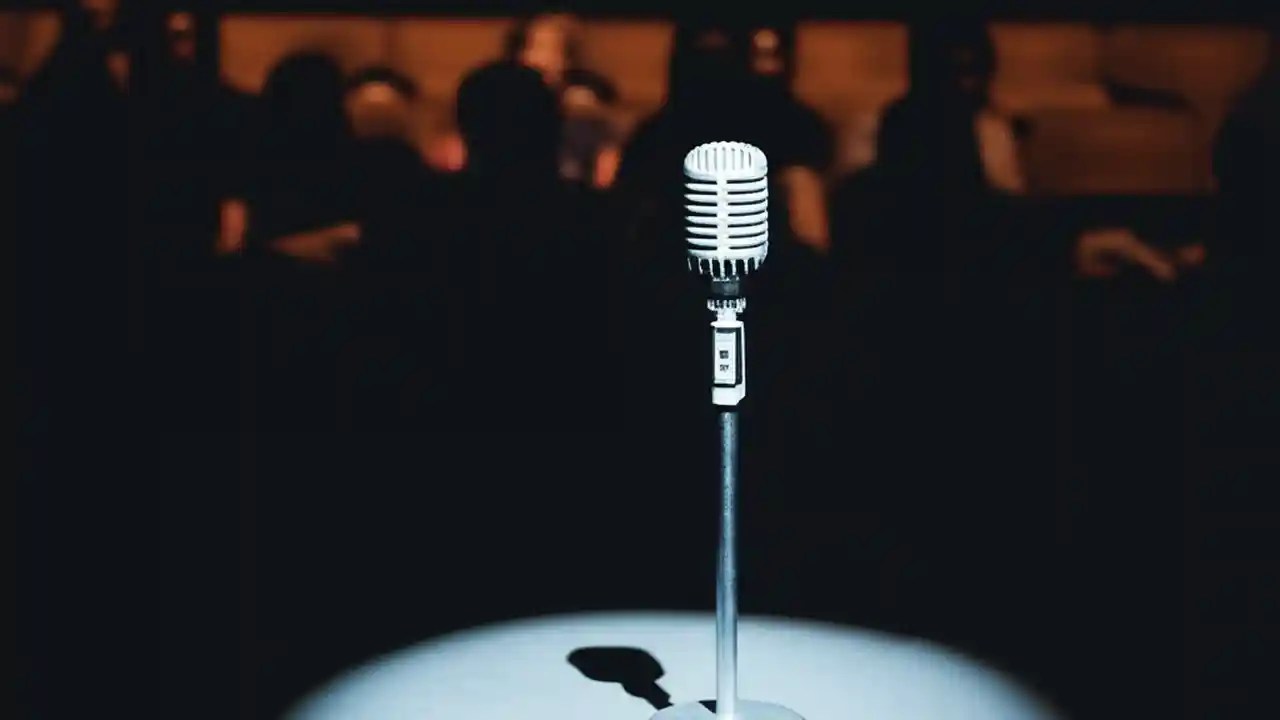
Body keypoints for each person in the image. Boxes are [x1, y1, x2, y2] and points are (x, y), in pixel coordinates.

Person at [504, 12, 621, 189]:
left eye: (543, 48)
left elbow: (606, 172)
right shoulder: (502, 105)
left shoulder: (585, 112)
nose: (532, 59)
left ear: (566, 59)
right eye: (528, 48)